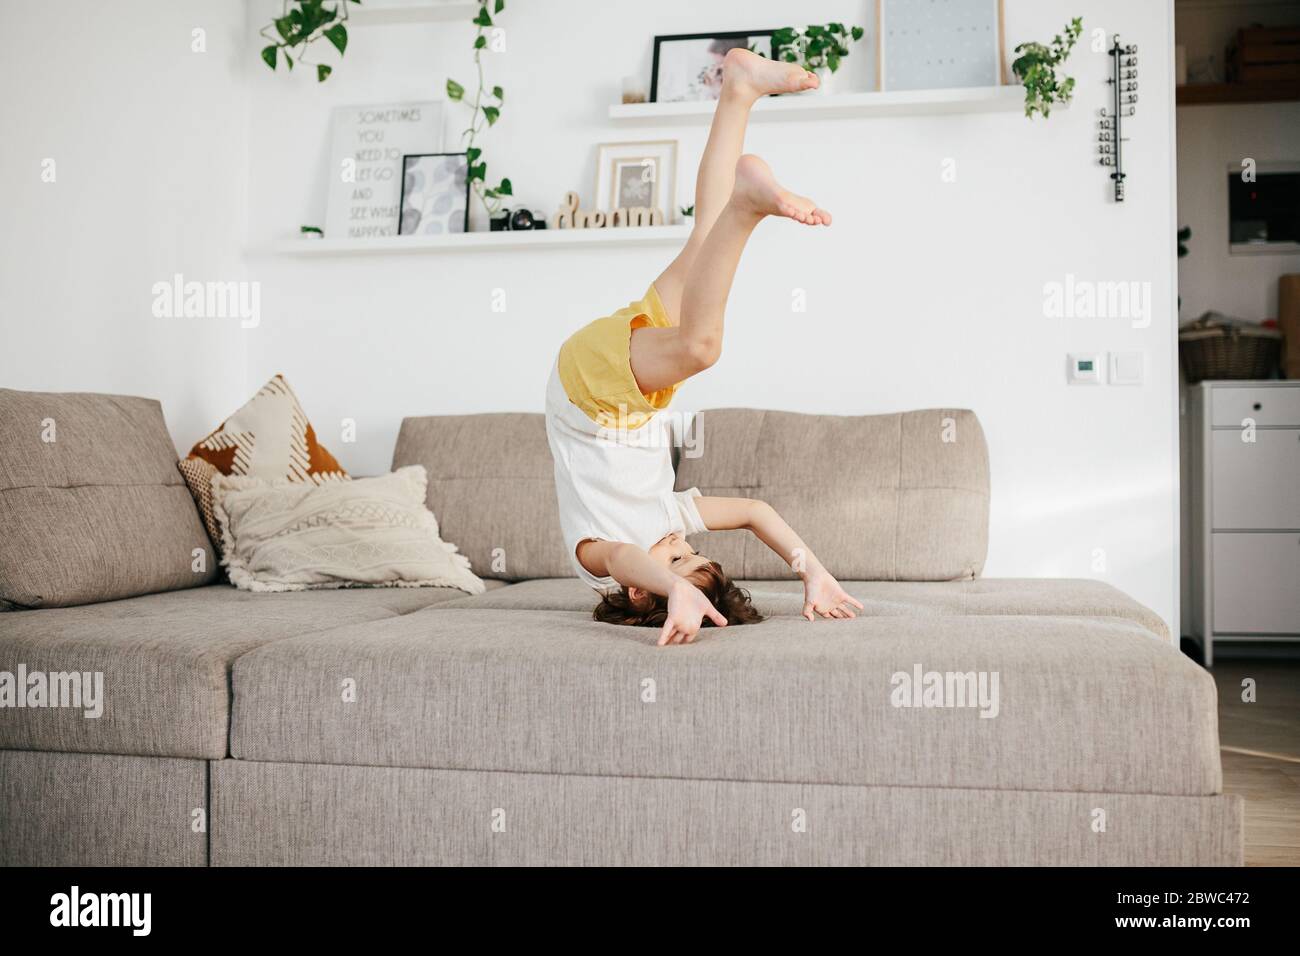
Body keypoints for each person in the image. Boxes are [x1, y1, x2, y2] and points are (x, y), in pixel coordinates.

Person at [545, 48, 863, 647]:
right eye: (691, 551)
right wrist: (811, 571)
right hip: (626, 386)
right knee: (703, 237)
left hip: (588, 396)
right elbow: (754, 512)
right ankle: (739, 88)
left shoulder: (596, 554)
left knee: (702, 347)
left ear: (643, 591)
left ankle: (749, 207)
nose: (678, 543)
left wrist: (677, 592)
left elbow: (621, 561)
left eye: (677, 562)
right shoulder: (668, 521)